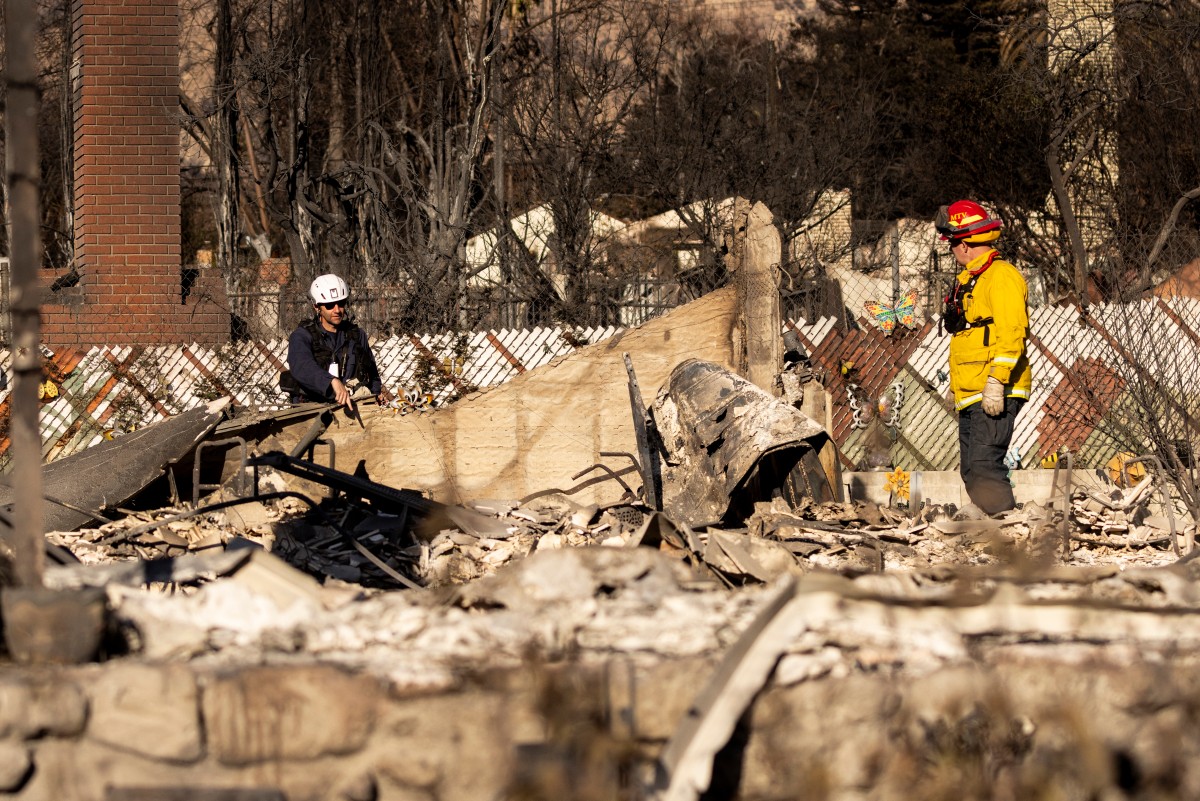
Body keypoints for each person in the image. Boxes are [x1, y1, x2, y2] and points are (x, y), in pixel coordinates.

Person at [936, 200, 1031, 516]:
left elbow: (1012, 332)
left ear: (964, 244)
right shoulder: (971, 279)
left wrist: (996, 381)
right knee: (971, 470)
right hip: (974, 390)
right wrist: (957, 388)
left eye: (952, 244)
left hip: (994, 388)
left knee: (984, 466)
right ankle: (993, 529)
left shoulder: (1001, 276)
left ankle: (1008, 529)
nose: (952, 251)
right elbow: (970, 338)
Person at [280, 274, 394, 408]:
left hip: (353, 407)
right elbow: (302, 366)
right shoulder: (302, 336)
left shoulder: (357, 335)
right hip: (313, 409)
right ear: (317, 307)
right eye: (329, 305)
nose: (337, 310)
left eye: (341, 304)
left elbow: (372, 373)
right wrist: (331, 382)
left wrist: (375, 395)